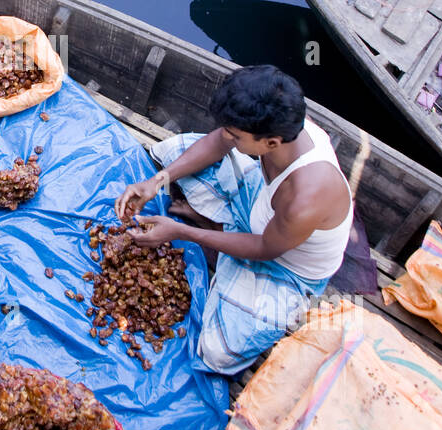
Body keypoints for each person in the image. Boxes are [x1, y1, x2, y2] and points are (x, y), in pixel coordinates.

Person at [114, 65, 353, 375]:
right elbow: (218, 142)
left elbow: (265, 248)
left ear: (271, 143)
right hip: (259, 206)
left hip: (284, 264)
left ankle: (212, 225)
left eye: (235, 134)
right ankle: (217, 224)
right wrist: (158, 181)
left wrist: (183, 233)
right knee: (174, 152)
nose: (227, 135)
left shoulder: (304, 199)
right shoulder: (280, 124)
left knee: (218, 352)